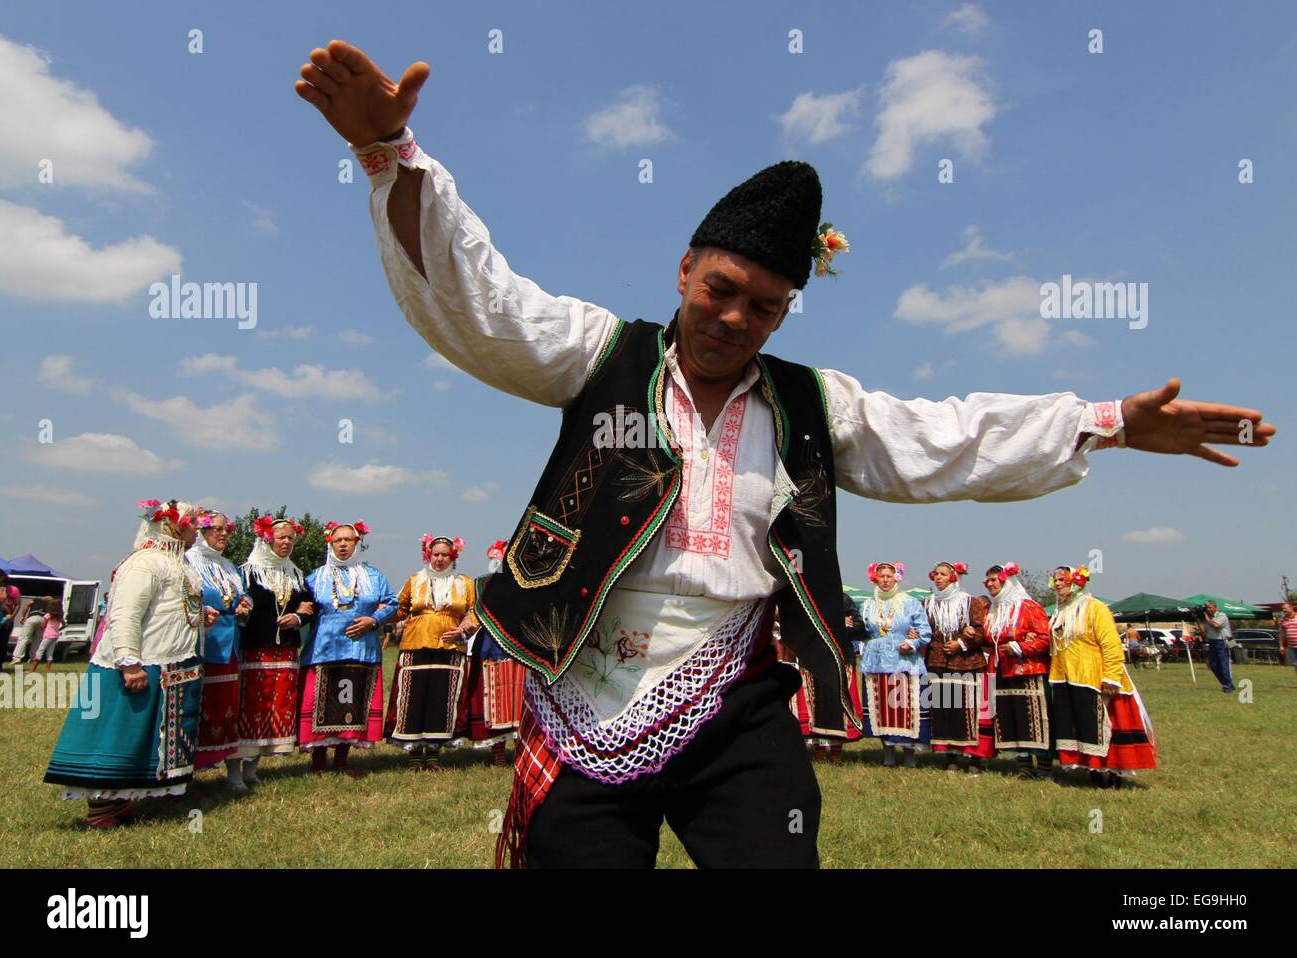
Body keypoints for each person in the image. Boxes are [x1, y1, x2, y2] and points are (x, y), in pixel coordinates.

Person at [294, 39, 1273, 867]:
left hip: (732, 698)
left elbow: (943, 438)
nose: (733, 318)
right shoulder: (600, 352)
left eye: (763, 306)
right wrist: (389, 149)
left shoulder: (808, 402)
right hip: (581, 684)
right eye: (719, 288)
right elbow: (483, 306)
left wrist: (1104, 420)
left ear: (787, 310)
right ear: (683, 269)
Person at [44, 499, 216, 826]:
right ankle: (100, 806)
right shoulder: (145, 563)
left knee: (141, 737)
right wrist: (129, 662)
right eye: (194, 523)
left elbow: (168, 610)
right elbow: (124, 614)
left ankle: (123, 800)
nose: (199, 529)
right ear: (172, 525)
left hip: (168, 664)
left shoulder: (178, 564)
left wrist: (199, 616)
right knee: (117, 734)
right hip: (140, 664)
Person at [300, 521, 396, 776]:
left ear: (357, 543)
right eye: (337, 541)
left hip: (359, 650)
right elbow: (302, 605)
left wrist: (373, 620)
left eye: (348, 540)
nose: (342, 545)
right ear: (330, 544)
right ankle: (318, 759)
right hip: (324, 648)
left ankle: (342, 758)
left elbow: (392, 603)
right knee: (321, 701)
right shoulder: (315, 577)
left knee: (350, 705)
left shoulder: (373, 576)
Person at [1048, 566, 1157, 788]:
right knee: (1083, 725)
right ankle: (1094, 770)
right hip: (1068, 677)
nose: (1058, 584)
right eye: (1055, 580)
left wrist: (1111, 677)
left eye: (1063, 579)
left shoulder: (1095, 608)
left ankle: (1114, 772)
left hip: (1096, 678)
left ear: (1077, 582)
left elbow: (1110, 644)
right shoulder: (1060, 612)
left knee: (1108, 726)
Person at [385, 534, 478, 770]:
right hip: (416, 643)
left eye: (444, 555)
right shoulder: (415, 580)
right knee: (414, 697)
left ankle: (434, 753)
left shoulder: (465, 582)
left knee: (442, 698)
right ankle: (415, 753)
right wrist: (376, 615)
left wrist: (463, 630)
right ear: (428, 555)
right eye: (435, 554)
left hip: (450, 646)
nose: (439, 559)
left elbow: (474, 613)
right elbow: (400, 609)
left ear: (453, 557)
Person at [236, 515, 315, 784]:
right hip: (255, 650)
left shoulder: (294, 574)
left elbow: (307, 606)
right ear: (268, 539)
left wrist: (298, 618)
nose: (287, 542)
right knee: (248, 709)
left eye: (291, 538)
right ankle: (234, 772)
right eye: (281, 537)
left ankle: (252, 769)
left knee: (273, 709)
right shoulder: (248, 572)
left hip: (285, 652)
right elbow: (239, 603)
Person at [187, 510, 253, 789]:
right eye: (216, 529)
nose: (223, 533)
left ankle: (231, 771)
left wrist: (244, 604)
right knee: (193, 710)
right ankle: (186, 771)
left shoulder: (229, 567)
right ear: (201, 532)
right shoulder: (188, 562)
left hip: (229, 648)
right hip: (199, 645)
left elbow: (242, 594)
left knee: (226, 711)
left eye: (227, 529)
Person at [983, 563, 1054, 779]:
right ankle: (1023, 765)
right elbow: (987, 639)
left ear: (1007, 582)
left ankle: (1043, 767)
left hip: (1027, 670)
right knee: (1010, 718)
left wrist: (1020, 647)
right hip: (1000, 670)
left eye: (993, 580)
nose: (989, 584)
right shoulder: (991, 610)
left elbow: (1044, 638)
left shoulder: (1028, 607)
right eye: (986, 581)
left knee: (1034, 717)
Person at [459, 539, 526, 766]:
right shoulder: (480, 584)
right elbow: (472, 613)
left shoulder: (528, 582)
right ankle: (497, 751)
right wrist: (465, 627)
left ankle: (522, 750)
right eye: (500, 556)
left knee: (522, 700)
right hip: (491, 647)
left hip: (521, 647)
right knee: (494, 700)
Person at [859, 562, 932, 768]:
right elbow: (862, 630)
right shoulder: (867, 604)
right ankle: (888, 751)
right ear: (875, 578)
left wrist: (913, 642)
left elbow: (925, 631)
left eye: (888, 576)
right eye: (881, 576)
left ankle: (909, 754)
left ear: (896, 578)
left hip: (905, 662)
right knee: (882, 707)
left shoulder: (910, 603)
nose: (885, 580)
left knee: (907, 708)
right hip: (876, 662)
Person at [924, 562, 993, 774]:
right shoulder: (928, 603)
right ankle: (950, 756)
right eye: (936, 574)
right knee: (945, 711)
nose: (938, 578)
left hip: (967, 663)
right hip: (938, 662)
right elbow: (924, 629)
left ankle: (974, 759)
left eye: (943, 574)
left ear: (954, 577)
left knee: (970, 711)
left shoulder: (969, 602)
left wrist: (961, 643)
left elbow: (982, 632)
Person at [789, 591, 865, 765]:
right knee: (815, 704)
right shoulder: (805, 596)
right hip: (812, 656)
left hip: (839, 657)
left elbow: (859, 627)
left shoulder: (843, 599)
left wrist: (845, 627)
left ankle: (837, 750)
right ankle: (819, 750)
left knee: (836, 703)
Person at [1201, 600, 1235, 692]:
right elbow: (1203, 631)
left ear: (1216, 607)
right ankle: (1227, 683)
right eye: (1207, 608)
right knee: (1213, 665)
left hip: (1222, 641)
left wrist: (1208, 619)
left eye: (1210, 608)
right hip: (1212, 641)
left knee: (1224, 664)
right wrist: (1198, 619)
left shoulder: (1221, 615)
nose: (1208, 610)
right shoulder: (1207, 617)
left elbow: (1217, 625)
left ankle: (1227, 686)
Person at [28, 599, 63, 673]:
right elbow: (64, 625)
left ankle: (32, 669)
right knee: (50, 653)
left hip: (48, 635)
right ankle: (47, 669)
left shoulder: (48, 615)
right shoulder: (59, 616)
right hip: (55, 635)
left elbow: (43, 625)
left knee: (40, 651)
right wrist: (58, 629)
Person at [0, 570, 20, 670]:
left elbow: (18, 604)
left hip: (5, 618)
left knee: (2, 643)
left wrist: (11, 617)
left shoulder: (13, 590)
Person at [12, 598, 47, 665]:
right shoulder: (50, 604)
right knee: (36, 640)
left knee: (24, 638)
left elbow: (27, 604)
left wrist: (22, 616)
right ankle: (34, 658)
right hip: (42, 619)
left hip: (32, 618)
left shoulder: (37, 600)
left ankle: (17, 658)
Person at [1280, 602, 1297, 676]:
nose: (1283, 610)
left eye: (1285, 608)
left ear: (1291, 608)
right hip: (1292, 647)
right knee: (1295, 664)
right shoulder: (1284, 619)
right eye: (1282, 609)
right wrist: (1281, 646)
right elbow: (1282, 633)